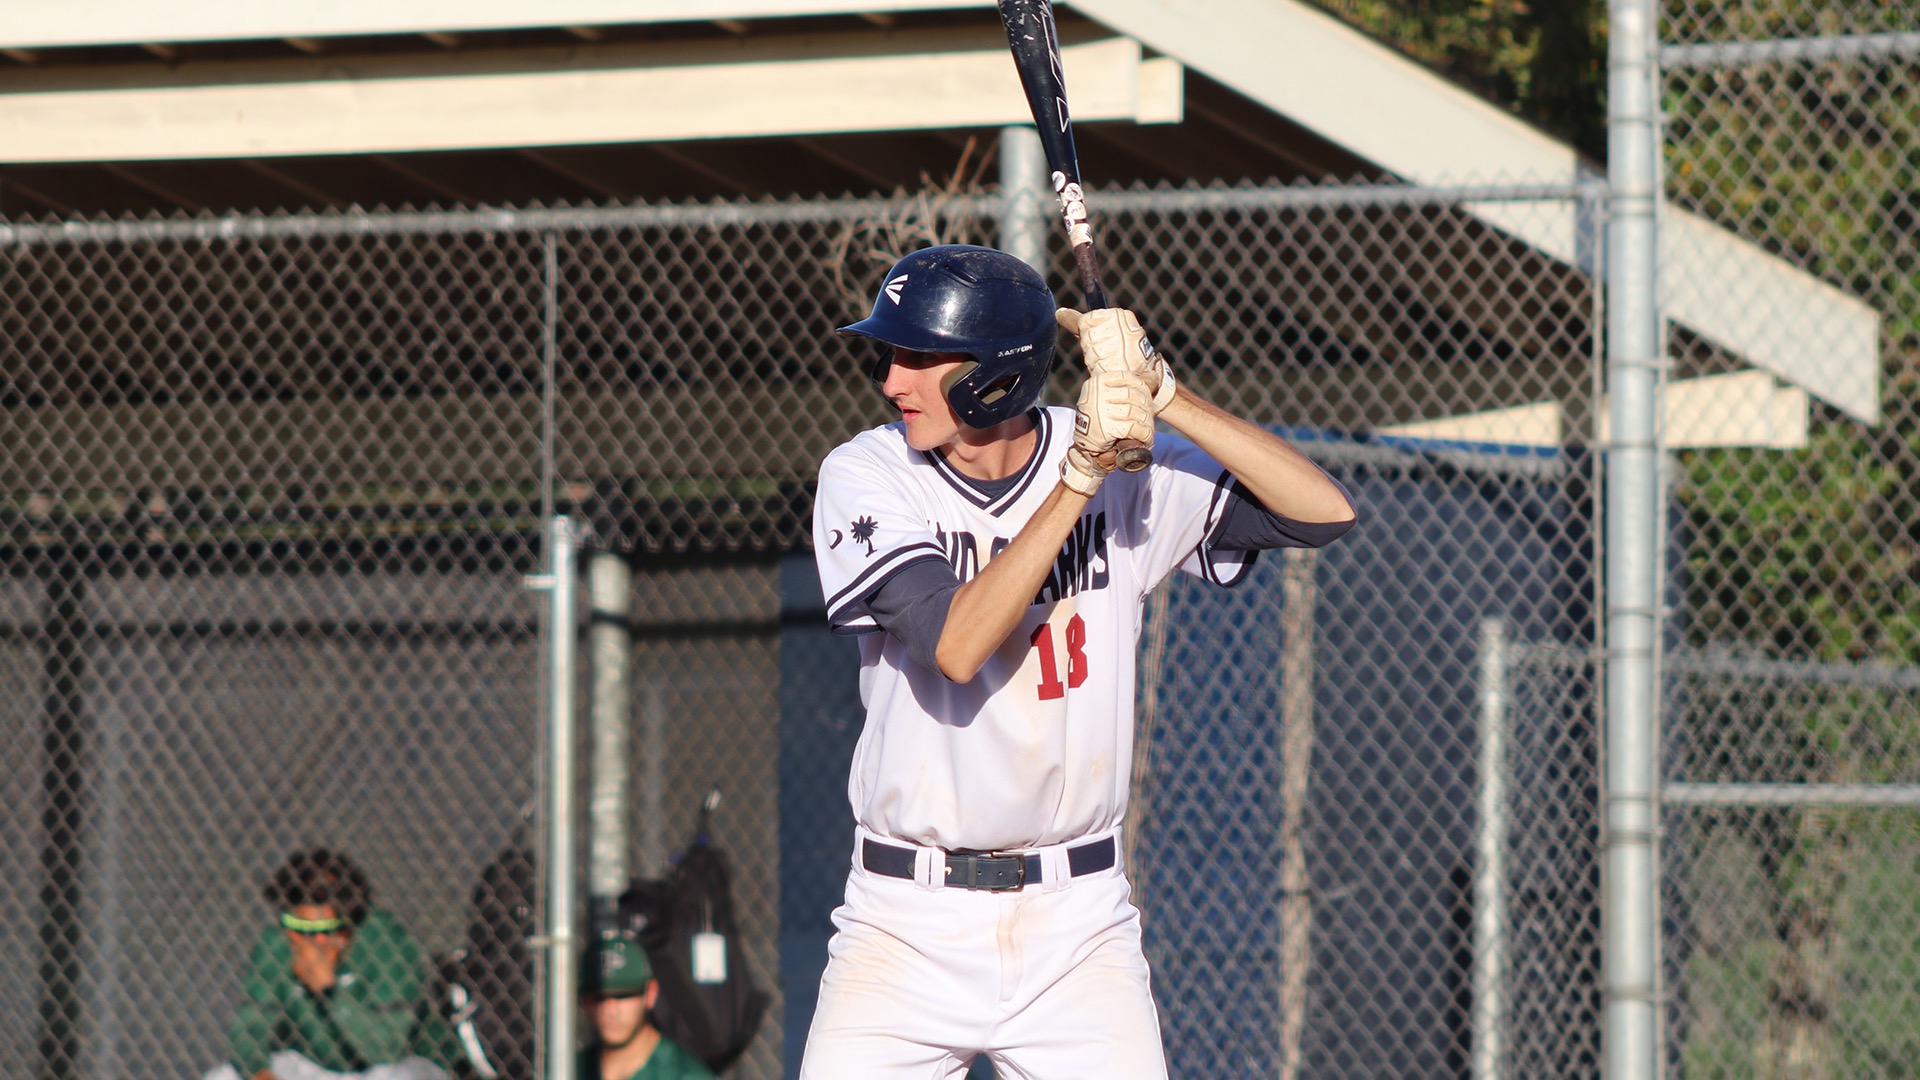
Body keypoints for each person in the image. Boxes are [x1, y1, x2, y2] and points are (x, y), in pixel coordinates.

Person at [802, 244, 1356, 1078]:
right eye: (892, 354)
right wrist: (1080, 479)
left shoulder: (1120, 462)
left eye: (919, 356)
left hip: (1077, 925)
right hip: (903, 924)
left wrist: (1167, 392)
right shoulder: (870, 472)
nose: (893, 380)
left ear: (996, 375)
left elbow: (1324, 514)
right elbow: (955, 645)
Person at [207, 848, 456, 1080]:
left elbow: (384, 1050)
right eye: (296, 927)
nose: (304, 940)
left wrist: (329, 989)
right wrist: (259, 1073)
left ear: (344, 930)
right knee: (224, 1076)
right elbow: (250, 1028)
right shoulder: (279, 943)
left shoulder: (387, 941)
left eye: (319, 930)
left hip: (400, 1066)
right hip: (318, 1069)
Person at [579, 932, 715, 1080]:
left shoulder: (684, 1075)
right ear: (582, 1001)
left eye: (624, 995)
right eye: (599, 998)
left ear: (650, 993)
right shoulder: (567, 1070)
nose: (611, 1011)